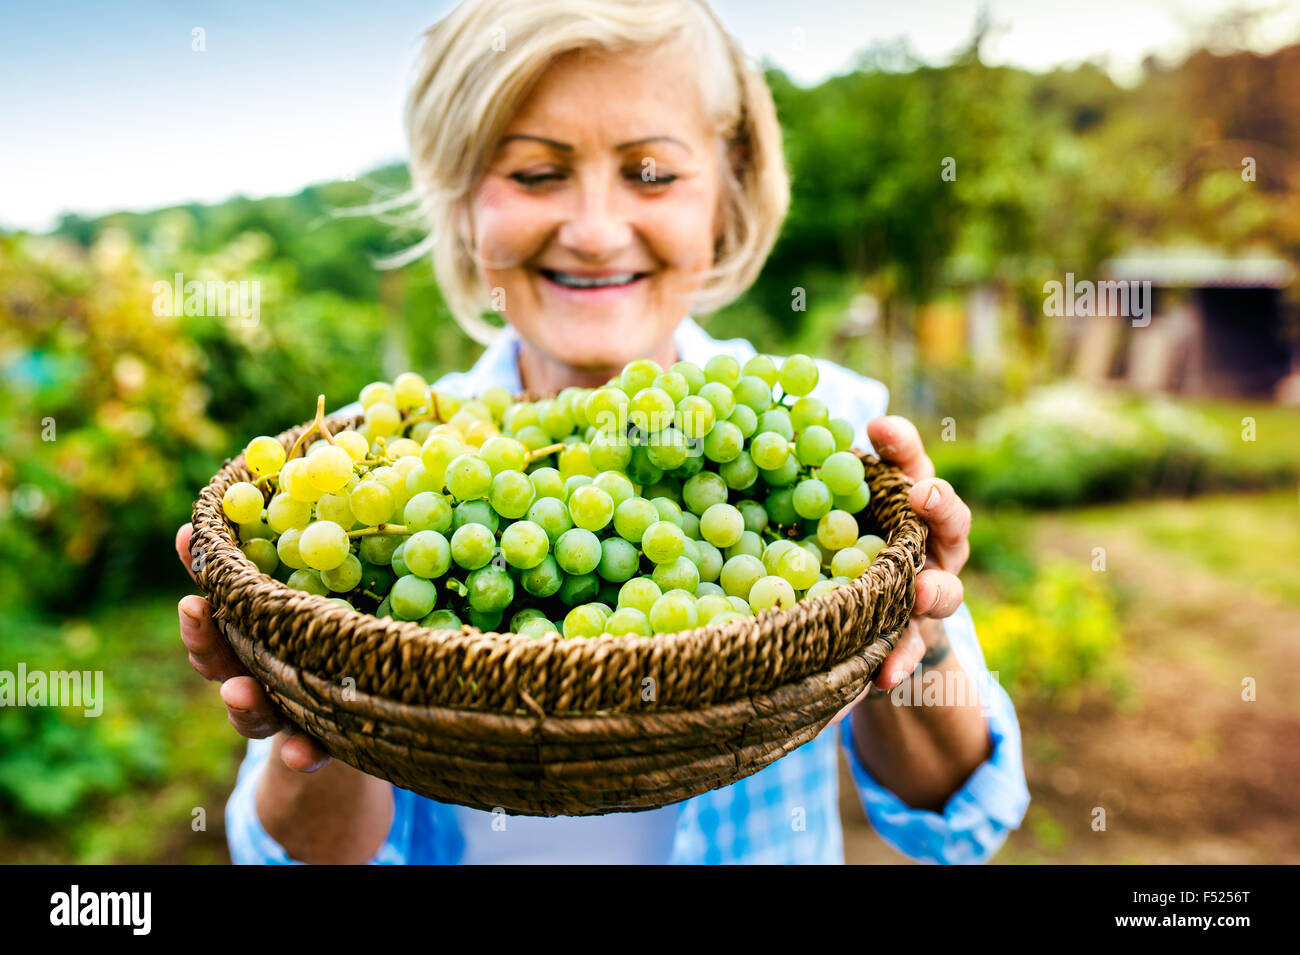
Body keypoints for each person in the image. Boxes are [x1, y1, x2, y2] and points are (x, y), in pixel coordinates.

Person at [175, 0, 1029, 864]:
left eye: (652, 172)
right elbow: (287, 856)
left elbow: (961, 814)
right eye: (536, 174)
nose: (591, 231)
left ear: (726, 194)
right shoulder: (388, 469)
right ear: (462, 197)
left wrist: (907, 634)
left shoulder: (831, 432)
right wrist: (323, 711)